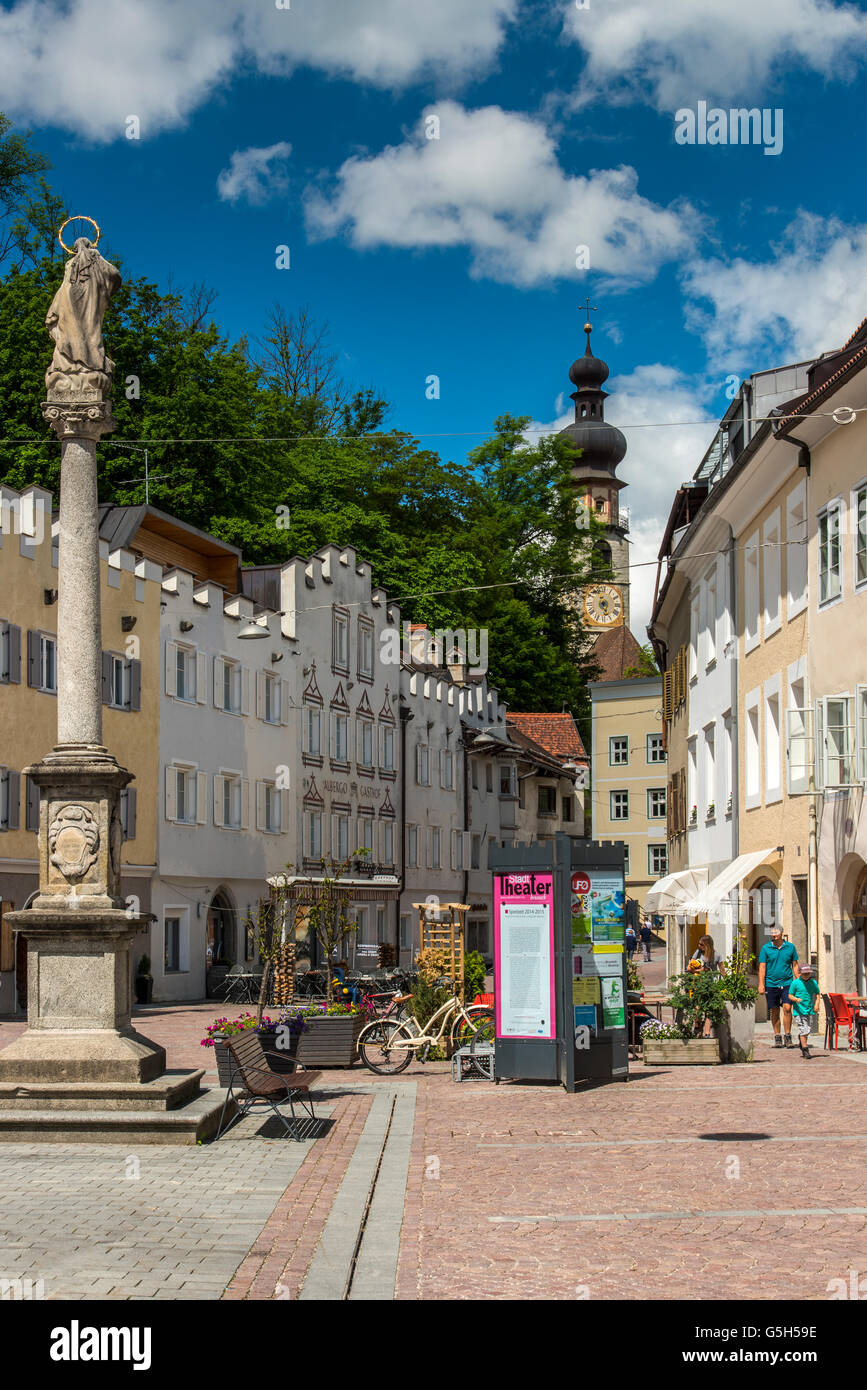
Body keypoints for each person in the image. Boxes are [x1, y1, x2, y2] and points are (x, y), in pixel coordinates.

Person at [758, 925, 800, 1048]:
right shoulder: (766, 948)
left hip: (787, 982)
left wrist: (799, 981)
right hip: (771, 983)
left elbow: (795, 965)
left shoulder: (790, 947)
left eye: (776, 932)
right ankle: (777, 1036)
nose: (773, 935)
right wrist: (761, 984)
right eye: (772, 933)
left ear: (782, 933)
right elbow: (762, 967)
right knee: (774, 1010)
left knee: (787, 1008)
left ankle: (787, 1035)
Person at [688, 935, 724, 1036]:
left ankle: (707, 1032)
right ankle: (697, 1025)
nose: (699, 946)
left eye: (701, 944)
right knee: (698, 1007)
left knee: (709, 1009)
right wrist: (700, 970)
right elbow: (689, 968)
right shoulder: (698, 953)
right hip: (698, 983)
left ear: (707, 945)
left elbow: (722, 970)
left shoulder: (717, 955)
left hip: (711, 985)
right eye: (699, 944)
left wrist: (726, 984)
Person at [787, 963, 820, 1059]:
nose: (806, 976)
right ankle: (805, 1050)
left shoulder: (813, 983)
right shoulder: (795, 983)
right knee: (804, 1029)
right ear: (800, 973)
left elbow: (817, 993)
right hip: (799, 1011)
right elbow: (790, 995)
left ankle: (801, 1039)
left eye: (808, 974)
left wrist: (817, 1003)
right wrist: (796, 999)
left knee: (808, 1029)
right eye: (804, 974)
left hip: (809, 1010)